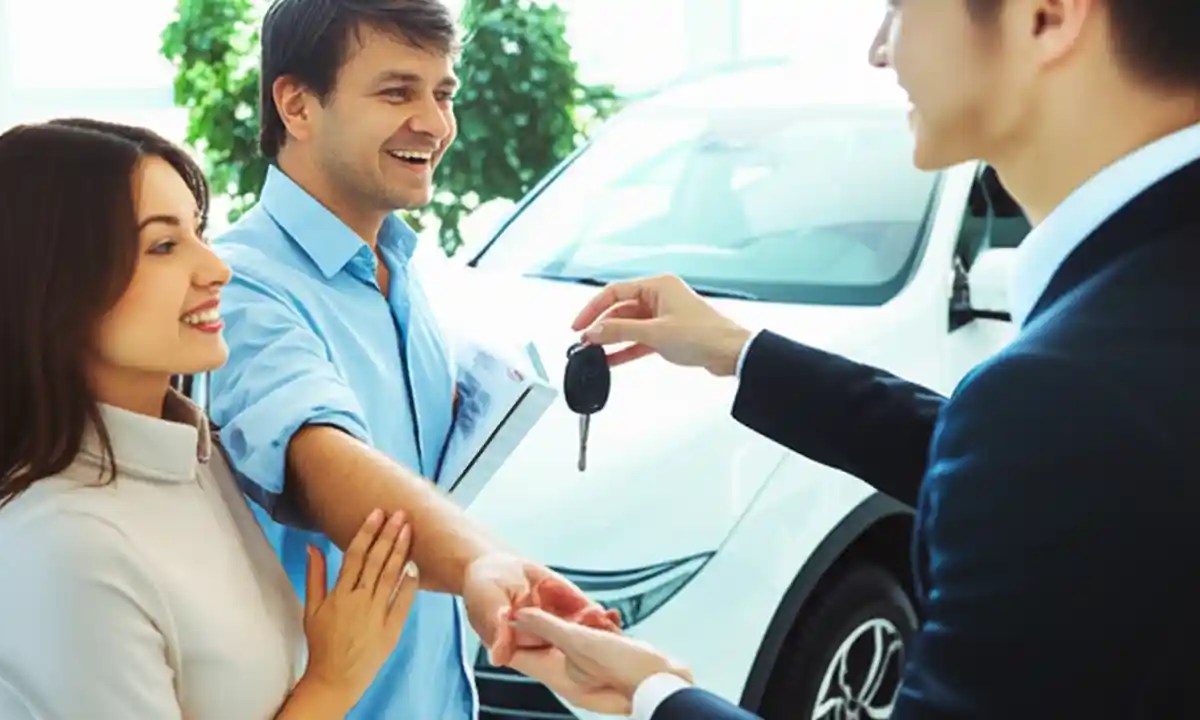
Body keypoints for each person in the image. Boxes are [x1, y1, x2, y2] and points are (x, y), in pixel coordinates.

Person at [508, 0, 1200, 718]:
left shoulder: (1062, 393)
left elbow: (1043, 452)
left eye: (899, 10)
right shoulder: (1138, 336)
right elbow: (1051, 467)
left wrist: (656, 696)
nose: (879, 50)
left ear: (1047, 16)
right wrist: (737, 352)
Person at [0, 118, 422, 720]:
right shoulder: (58, 546)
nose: (216, 269)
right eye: (163, 245)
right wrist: (333, 682)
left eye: (198, 231)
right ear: (54, 289)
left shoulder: (193, 462)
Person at [205, 1, 621, 717]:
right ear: (298, 105)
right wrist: (486, 563)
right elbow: (322, 458)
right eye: (397, 92)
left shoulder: (400, 265)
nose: (434, 122)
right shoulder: (240, 285)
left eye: (443, 92)